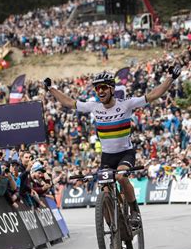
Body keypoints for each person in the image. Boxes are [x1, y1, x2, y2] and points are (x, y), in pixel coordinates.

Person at [44, 66, 181, 225]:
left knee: (121, 176)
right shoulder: (94, 107)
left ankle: (134, 211)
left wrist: (171, 77)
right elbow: (68, 102)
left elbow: (153, 95)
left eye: (103, 87)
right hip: (107, 157)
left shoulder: (126, 104)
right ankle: (113, 230)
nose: (100, 91)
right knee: (105, 189)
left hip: (125, 153)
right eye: (97, 88)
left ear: (112, 89)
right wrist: (50, 88)